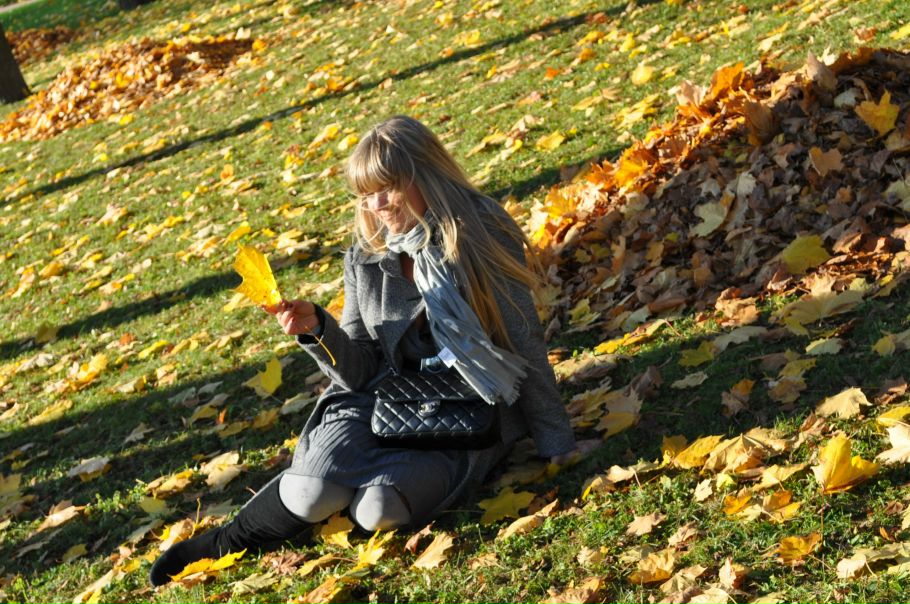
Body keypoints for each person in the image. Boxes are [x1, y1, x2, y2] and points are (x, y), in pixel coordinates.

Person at [149, 115, 576, 586]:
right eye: (365, 194)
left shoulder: (480, 230)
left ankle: (353, 497)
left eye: (386, 189)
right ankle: (227, 540)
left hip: (458, 411)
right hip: (376, 398)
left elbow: (522, 338)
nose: (376, 206)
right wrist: (318, 331)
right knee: (313, 493)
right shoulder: (367, 253)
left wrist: (556, 442)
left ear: (425, 174)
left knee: (379, 509)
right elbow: (358, 369)